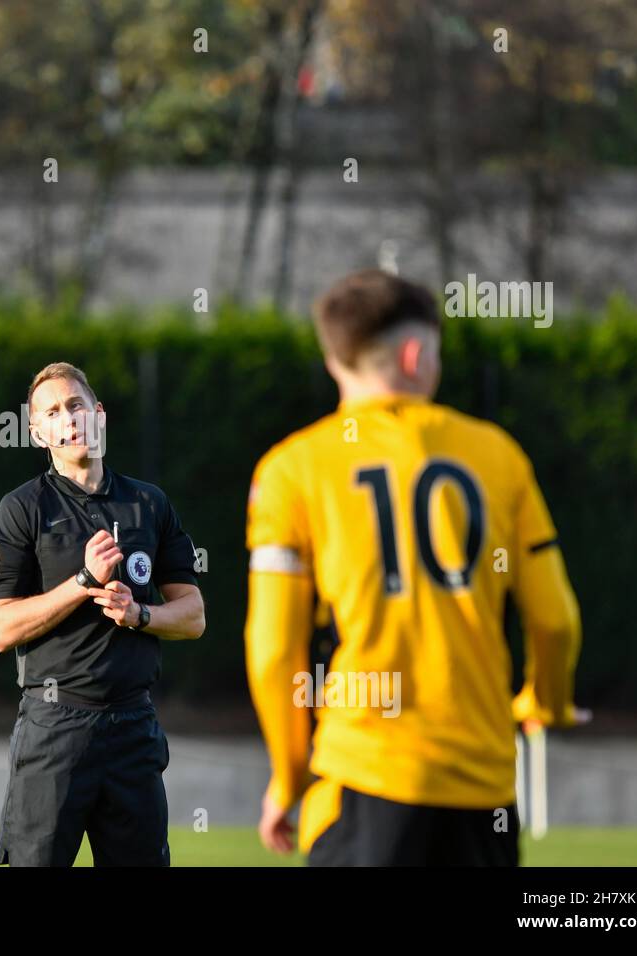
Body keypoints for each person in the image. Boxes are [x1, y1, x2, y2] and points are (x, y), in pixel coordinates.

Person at [244, 269, 583, 866]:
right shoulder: (498, 455)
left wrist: (288, 777)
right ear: (414, 353)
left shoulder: (293, 468)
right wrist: (544, 702)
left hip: (365, 777)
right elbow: (555, 620)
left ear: (335, 360)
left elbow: (274, 650)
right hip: (484, 793)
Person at [0, 362, 205, 866]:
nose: (69, 419)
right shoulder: (21, 510)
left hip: (132, 726)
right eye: (53, 412)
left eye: (76, 405)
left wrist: (140, 615)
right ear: (37, 432)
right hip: (54, 728)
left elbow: (193, 616)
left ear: (98, 414)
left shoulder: (150, 504)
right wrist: (82, 583)